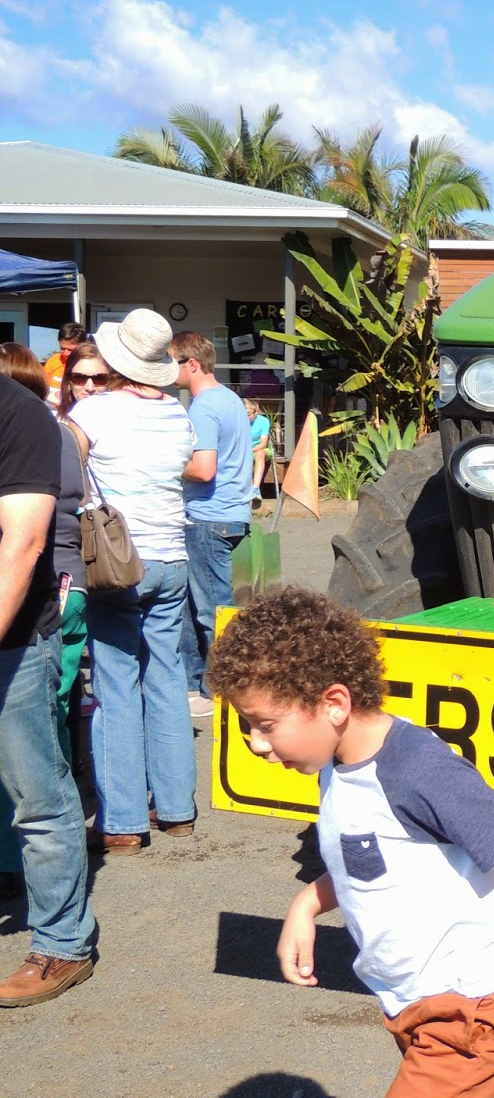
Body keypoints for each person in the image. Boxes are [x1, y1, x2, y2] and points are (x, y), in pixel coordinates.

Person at [208, 588, 494, 1094]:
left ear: (333, 703)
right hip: (419, 1007)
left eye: (265, 725)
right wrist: (307, 903)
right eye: (248, 726)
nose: (256, 744)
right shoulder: (340, 766)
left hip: (471, 1010)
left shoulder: (415, 768)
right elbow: (371, 860)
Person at [65, 309, 197, 854]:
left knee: (116, 686)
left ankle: (121, 820)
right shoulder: (178, 415)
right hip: (172, 558)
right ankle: (177, 809)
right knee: (166, 679)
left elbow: (64, 471)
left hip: (118, 560)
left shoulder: (92, 411)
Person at [0, 370, 97, 1007]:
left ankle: (62, 944)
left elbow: (25, 540)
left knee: (38, 794)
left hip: (12, 642)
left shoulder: (19, 415)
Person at [171, 331, 252, 720]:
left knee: (212, 612)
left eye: (172, 361)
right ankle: (196, 684)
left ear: (192, 364)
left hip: (207, 517)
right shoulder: (231, 399)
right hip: (232, 515)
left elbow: (203, 469)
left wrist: (165, 464)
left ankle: (216, 690)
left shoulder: (203, 407)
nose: (169, 370)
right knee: (204, 607)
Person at [57, 341, 108, 423]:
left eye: (99, 379)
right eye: (80, 378)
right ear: (68, 382)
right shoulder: (55, 422)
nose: (89, 388)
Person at [42, 322, 86, 413]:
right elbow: (41, 387)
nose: (65, 353)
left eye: (70, 350)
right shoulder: (53, 361)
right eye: (62, 348)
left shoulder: (89, 364)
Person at [244, 398, 272, 502]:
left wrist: (250, 451)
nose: (246, 417)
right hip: (244, 450)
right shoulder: (239, 422)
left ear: (256, 412)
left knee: (260, 454)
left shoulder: (263, 421)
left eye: (249, 414)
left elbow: (263, 444)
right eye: (244, 414)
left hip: (260, 449)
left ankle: (255, 489)